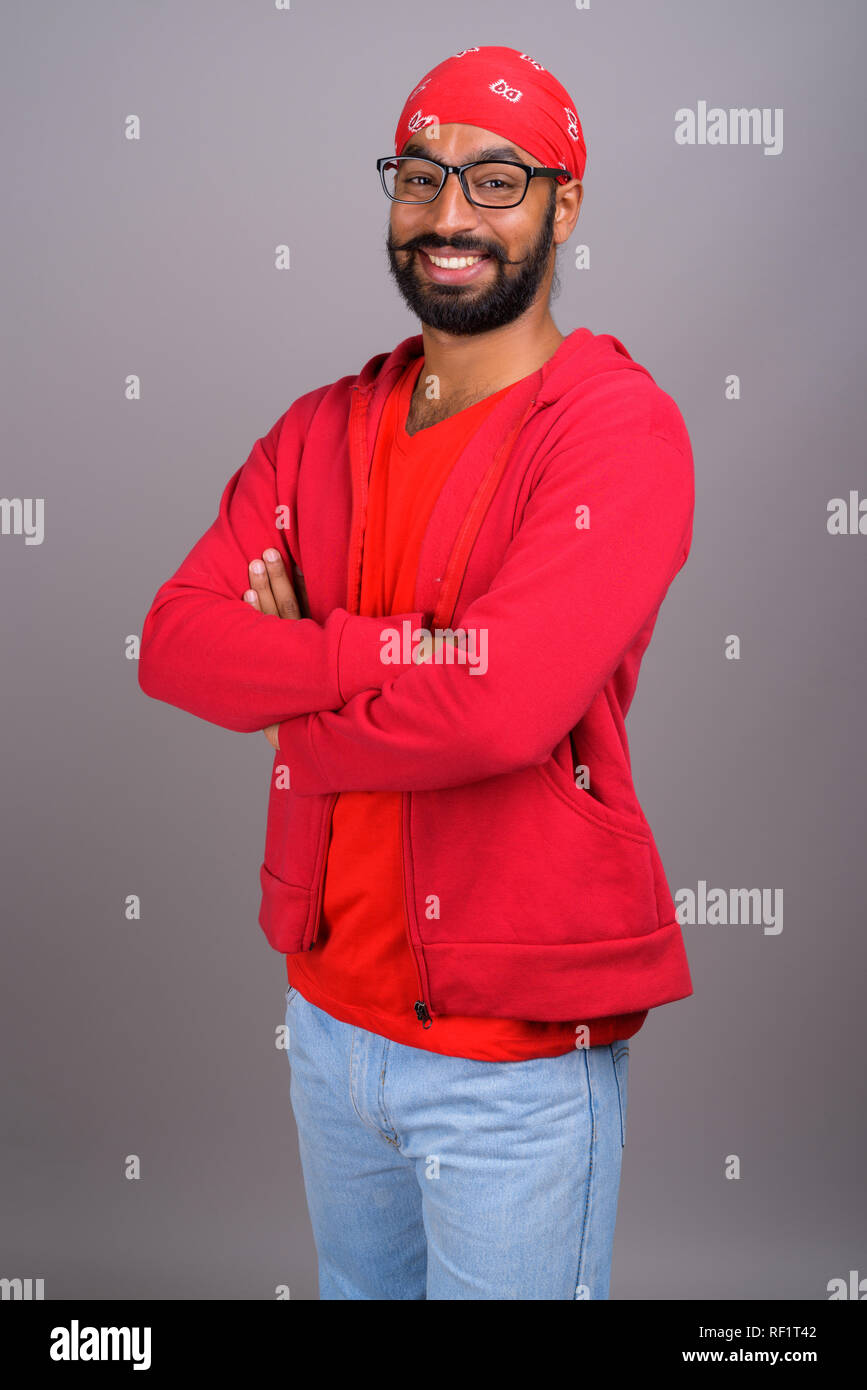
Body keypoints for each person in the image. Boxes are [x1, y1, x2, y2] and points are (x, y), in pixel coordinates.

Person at [138, 44, 695, 1300]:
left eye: (499, 180)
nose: (451, 214)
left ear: (567, 202)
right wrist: (386, 654)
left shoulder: (616, 432)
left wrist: (297, 694)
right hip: (331, 1032)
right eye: (423, 174)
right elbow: (172, 643)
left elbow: (500, 707)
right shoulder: (322, 427)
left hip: (514, 1063)